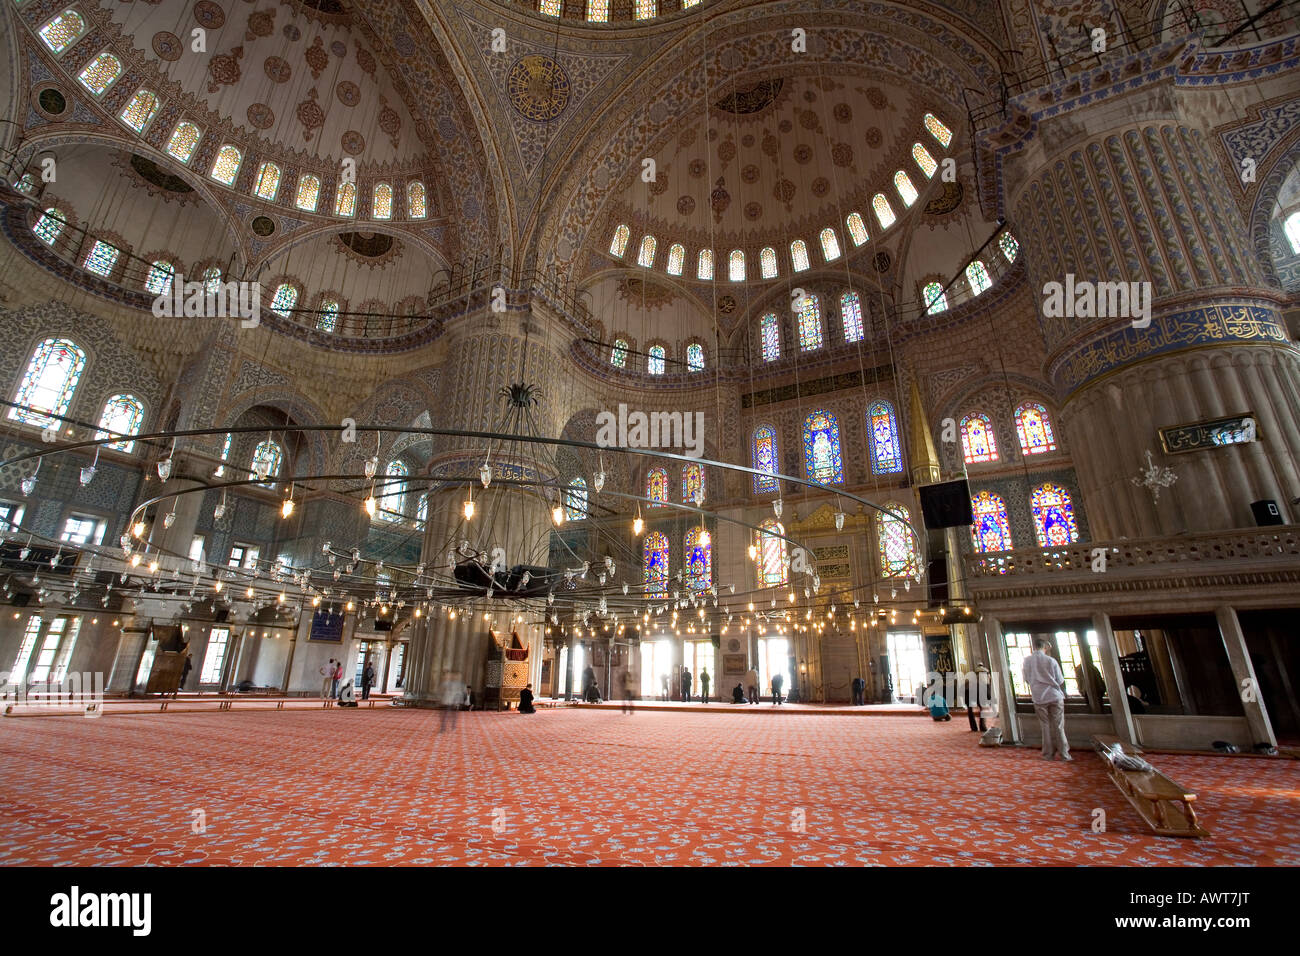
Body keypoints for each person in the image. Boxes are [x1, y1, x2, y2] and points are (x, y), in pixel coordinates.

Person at [1021, 639, 1070, 760]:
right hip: (1054, 695)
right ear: (1045, 648)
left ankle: (1048, 754)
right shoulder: (1050, 660)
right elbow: (1060, 680)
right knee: (1059, 726)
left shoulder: (1027, 661)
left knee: (1045, 726)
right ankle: (1065, 754)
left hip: (1038, 696)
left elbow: (1026, 679)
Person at [964, 664, 990, 732]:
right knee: (982, 709)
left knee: (970, 711)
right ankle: (982, 727)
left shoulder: (972, 678)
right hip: (973, 693)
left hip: (968, 694)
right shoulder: (984, 679)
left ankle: (974, 728)